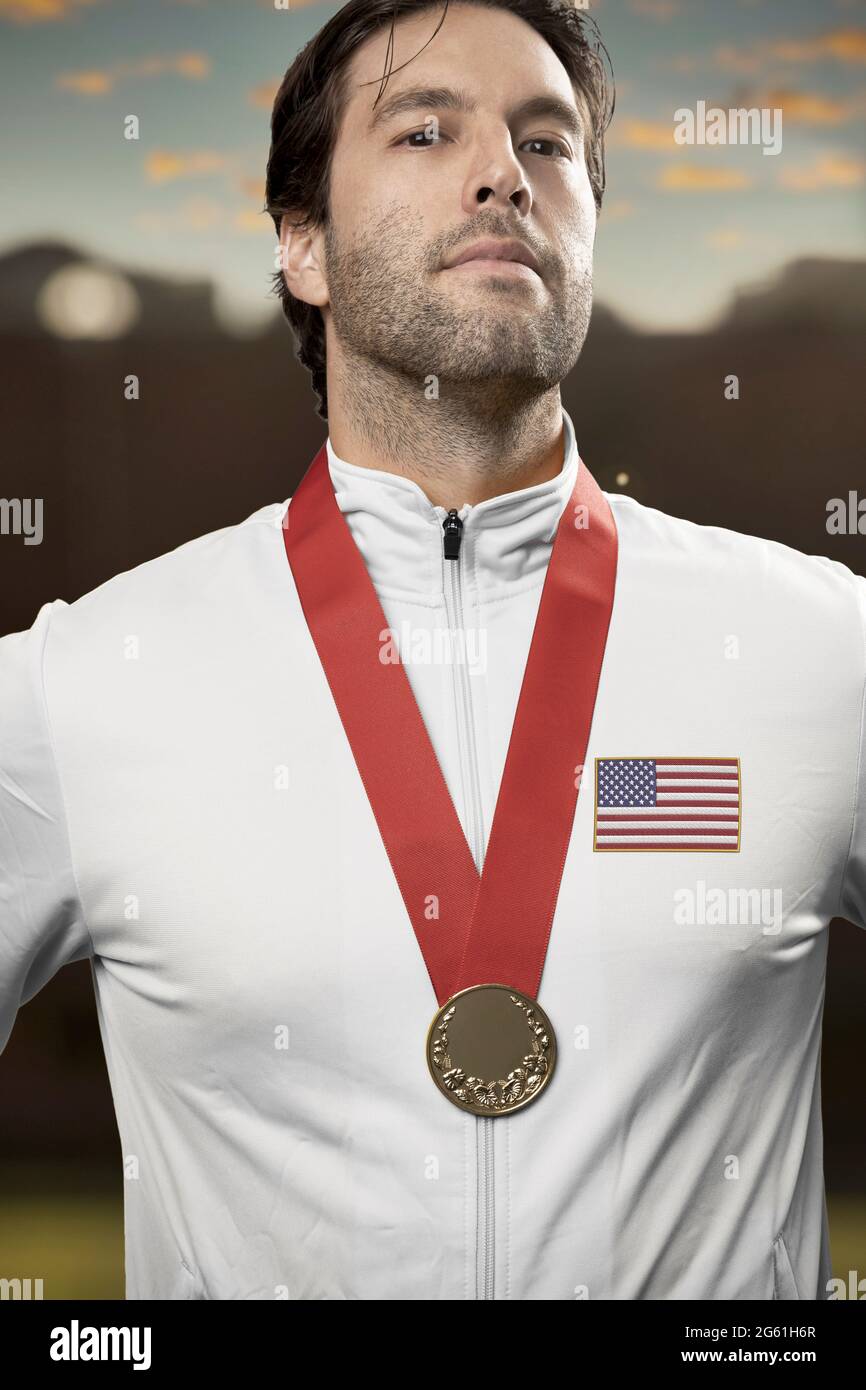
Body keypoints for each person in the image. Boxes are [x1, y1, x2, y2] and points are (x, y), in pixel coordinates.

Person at [1, 0, 864, 1301]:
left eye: (548, 142)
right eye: (422, 128)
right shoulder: (83, 682)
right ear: (303, 245)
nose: (504, 170)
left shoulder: (821, 647)